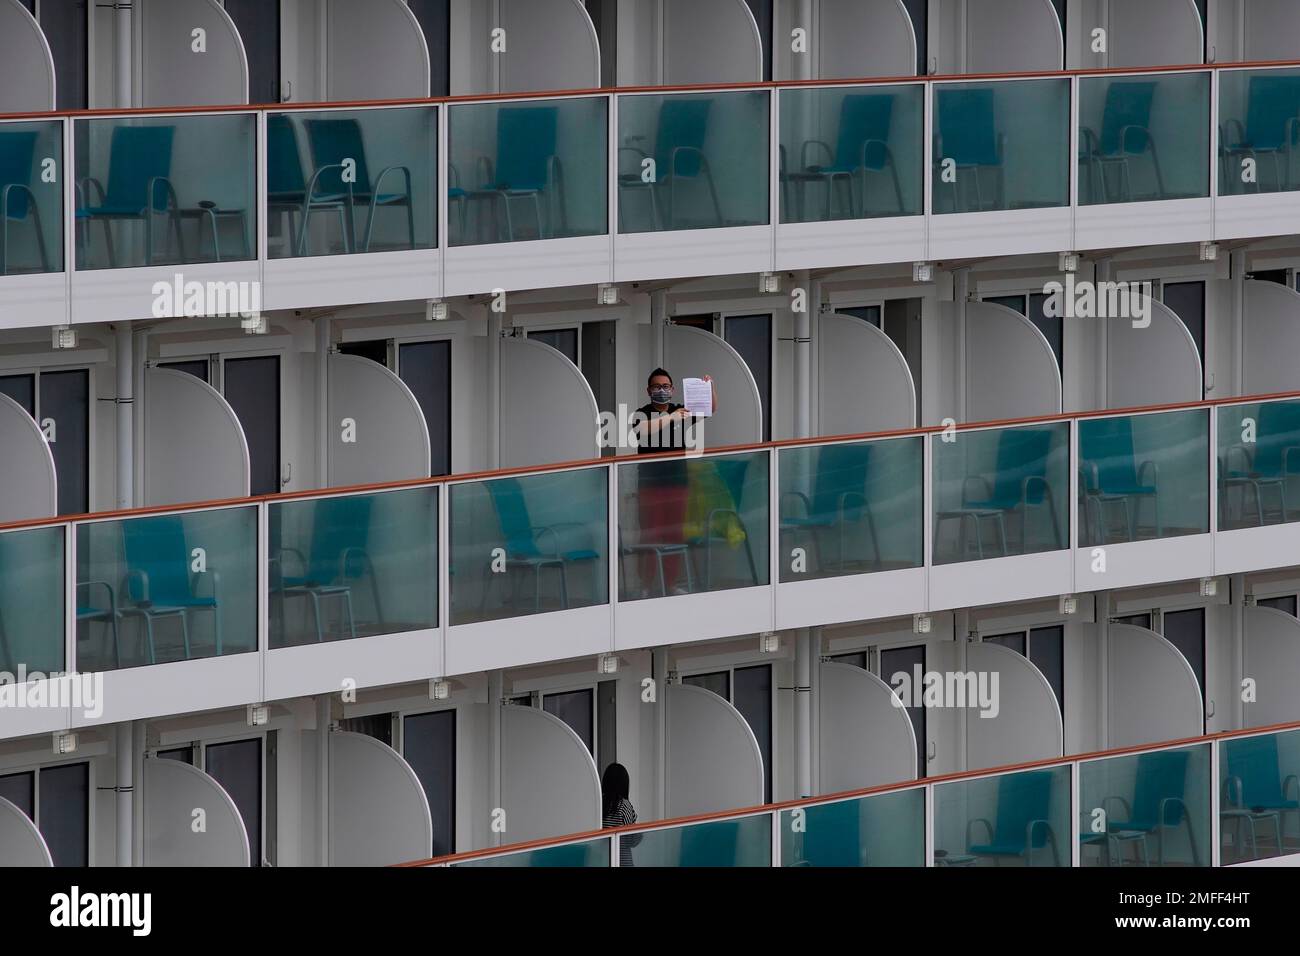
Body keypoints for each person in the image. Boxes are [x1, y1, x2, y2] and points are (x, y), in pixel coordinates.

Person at [631, 368, 717, 597]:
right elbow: (641, 430)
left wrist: (709, 387)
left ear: (673, 389)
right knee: (650, 534)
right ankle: (646, 584)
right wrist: (671, 417)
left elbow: (710, 410)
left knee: (675, 534)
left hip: (678, 483)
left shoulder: (683, 410)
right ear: (648, 390)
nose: (662, 390)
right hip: (650, 485)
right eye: (657, 386)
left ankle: (669, 583)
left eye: (666, 386)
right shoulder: (641, 413)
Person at [601, 762, 642, 867]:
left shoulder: (600, 804)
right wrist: (640, 833)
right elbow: (631, 840)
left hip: (602, 859)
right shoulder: (624, 805)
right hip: (622, 861)